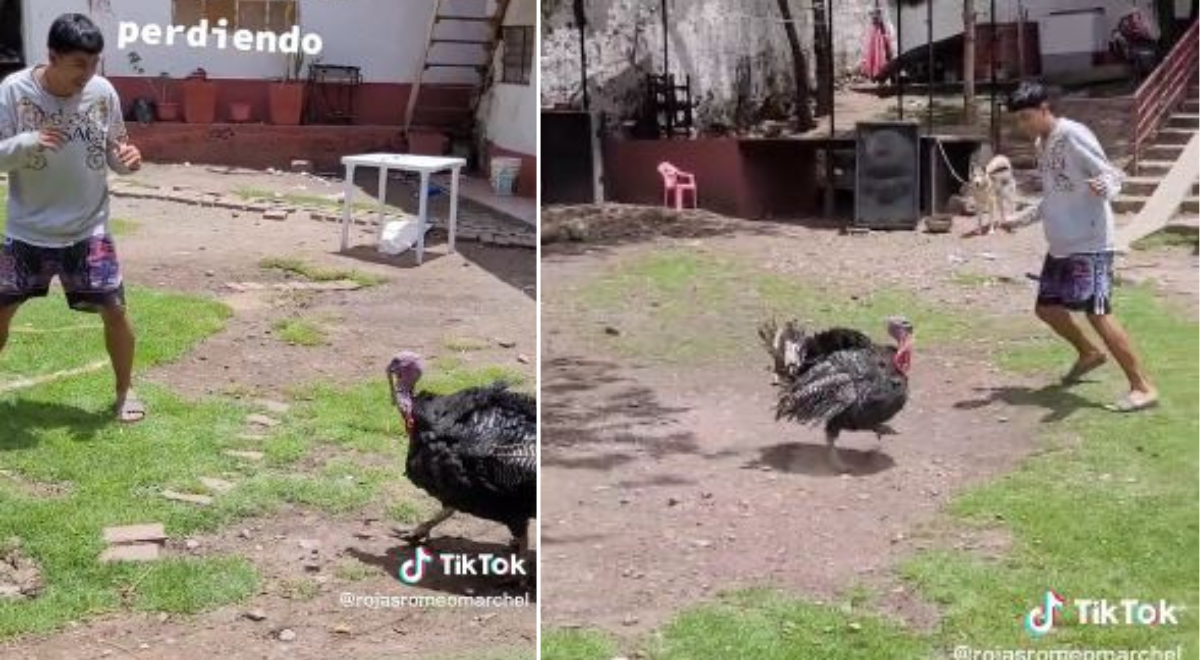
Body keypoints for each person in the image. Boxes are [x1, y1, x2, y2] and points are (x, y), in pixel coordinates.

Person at [0, 13, 145, 422]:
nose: (88, 74)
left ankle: (125, 392)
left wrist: (128, 160)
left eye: (94, 63)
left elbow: (115, 150)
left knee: (115, 311)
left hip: (88, 227)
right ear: (52, 57)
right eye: (79, 64)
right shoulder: (14, 91)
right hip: (28, 228)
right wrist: (31, 141)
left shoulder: (102, 93)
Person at [1002, 81, 1157, 413]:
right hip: (1060, 244)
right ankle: (1089, 353)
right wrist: (1018, 220)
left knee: (1097, 312)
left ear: (1045, 109)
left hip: (1089, 242)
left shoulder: (1072, 134)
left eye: (1027, 116)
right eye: (1019, 119)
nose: (1023, 124)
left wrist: (1107, 186)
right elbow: (1054, 197)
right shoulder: (1043, 144)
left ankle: (1142, 386)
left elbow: (1112, 174)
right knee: (1046, 309)